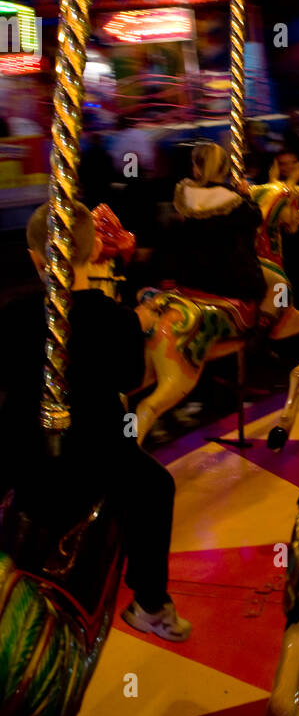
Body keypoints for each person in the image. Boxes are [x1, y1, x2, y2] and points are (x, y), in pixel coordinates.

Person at [0, 201, 191, 641]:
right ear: (92, 254)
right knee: (156, 487)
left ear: (35, 257)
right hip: (94, 454)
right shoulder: (116, 320)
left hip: (23, 450)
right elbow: (129, 379)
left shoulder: (12, 315)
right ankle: (150, 602)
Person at [166, 141, 266, 305]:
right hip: (230, 280)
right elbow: (256, 218)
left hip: (191, 275)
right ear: (223, 168)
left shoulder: (186, 195)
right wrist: (246, 195)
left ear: (198, 169)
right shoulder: (232, 199)